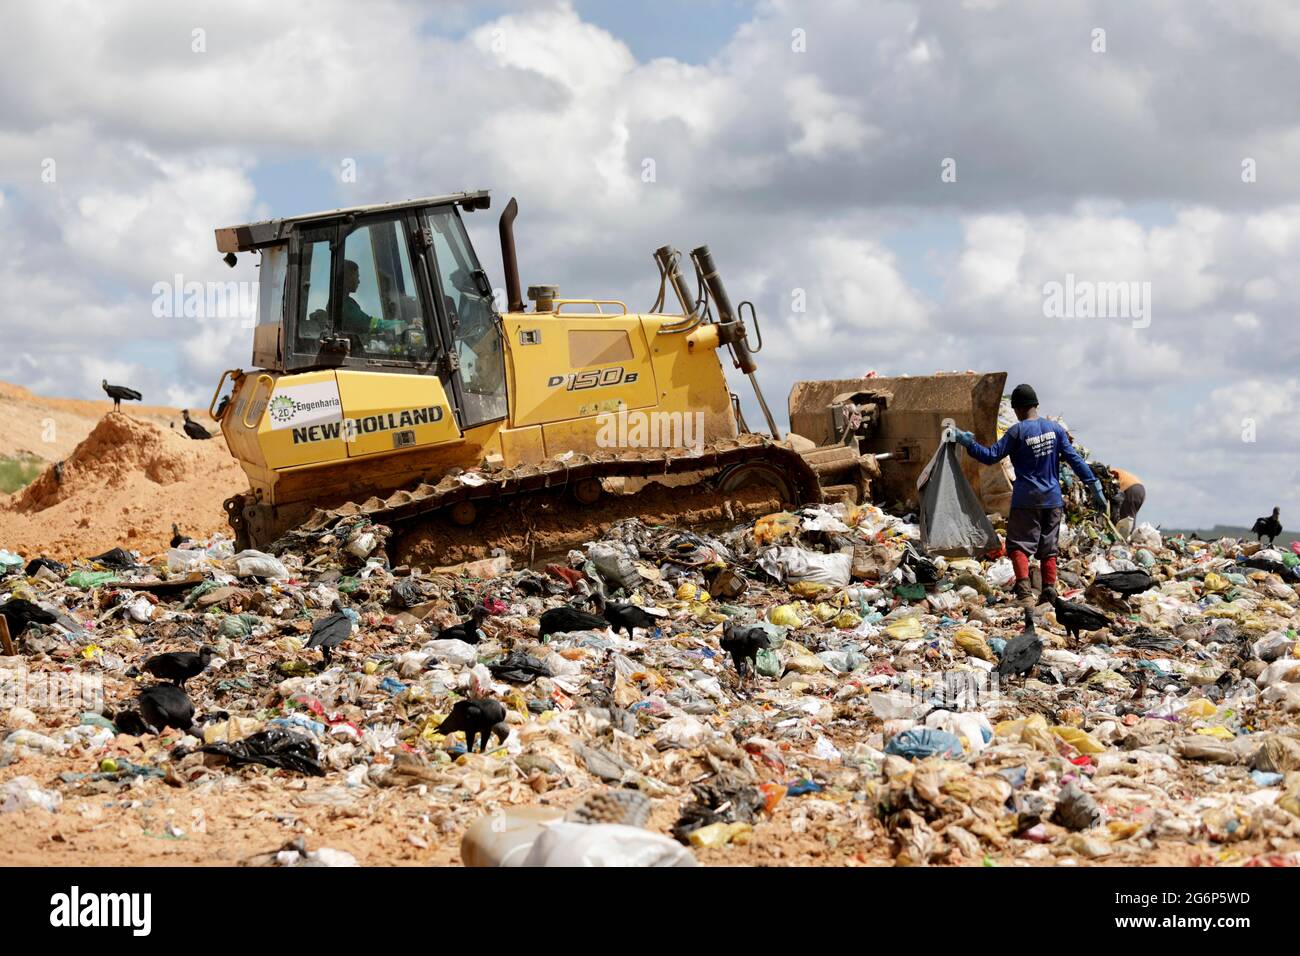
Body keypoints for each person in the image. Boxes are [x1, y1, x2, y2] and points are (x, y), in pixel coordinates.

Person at [954, 384, 1107, 604]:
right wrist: (1095, 487)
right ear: (1036, 405)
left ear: (1016, 409)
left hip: (1026, 499)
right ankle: (1049, 589)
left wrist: (967, 442)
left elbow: (990, 456)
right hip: (1052, 499)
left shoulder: (1017, 431)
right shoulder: (1055, 429)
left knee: (1018, 545)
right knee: (1048, 547)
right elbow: (1075, 460)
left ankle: (1025, 592)